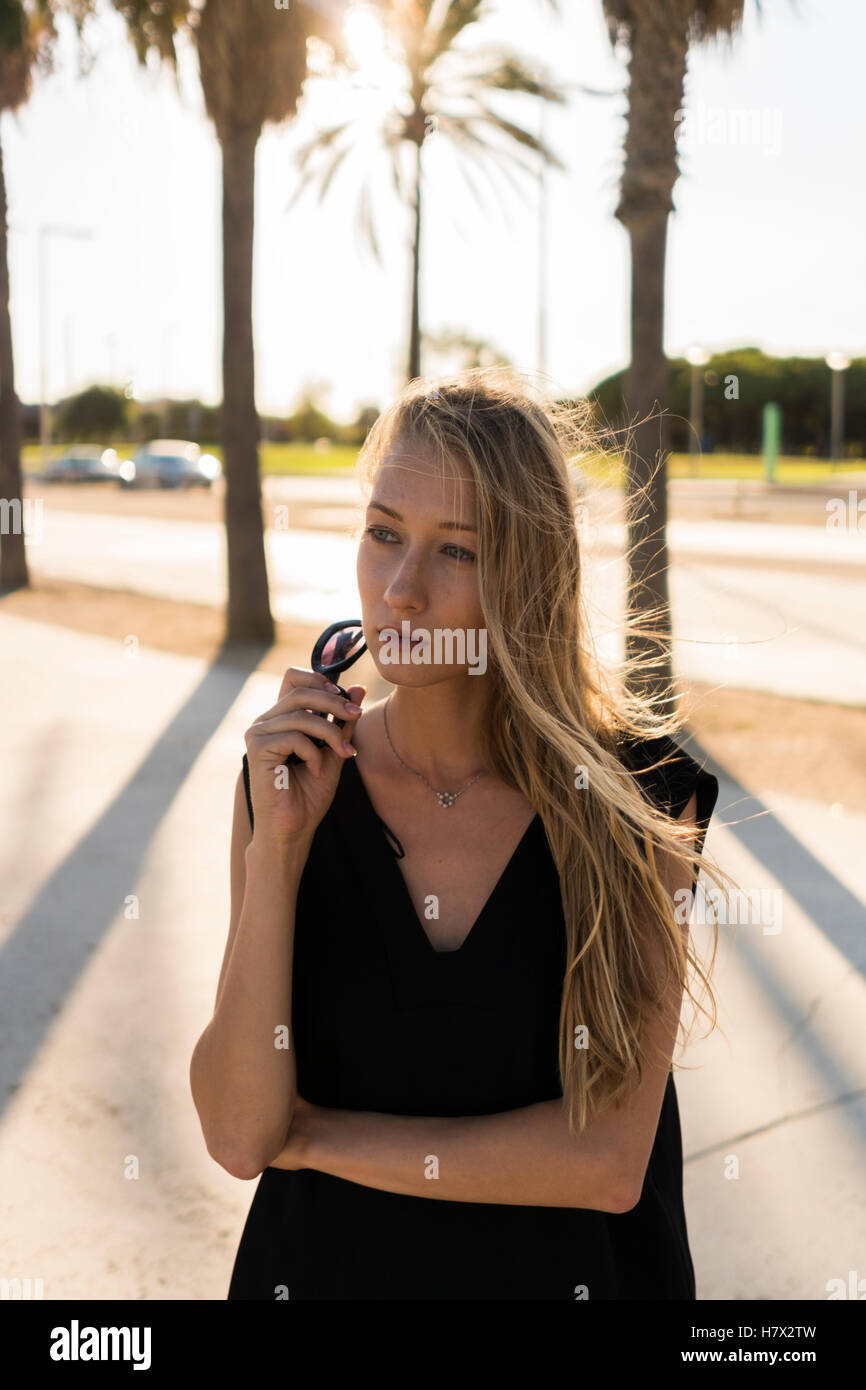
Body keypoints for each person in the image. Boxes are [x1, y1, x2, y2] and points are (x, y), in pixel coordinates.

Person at [190, 367, 732, 1300]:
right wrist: (276, 852)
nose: (401, 591)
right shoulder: (288, 781)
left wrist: (316, 1138)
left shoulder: (639, 800)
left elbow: (605, 1162)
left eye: (458, 552)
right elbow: (242, 1137)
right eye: (384, 533)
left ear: (531, 571)